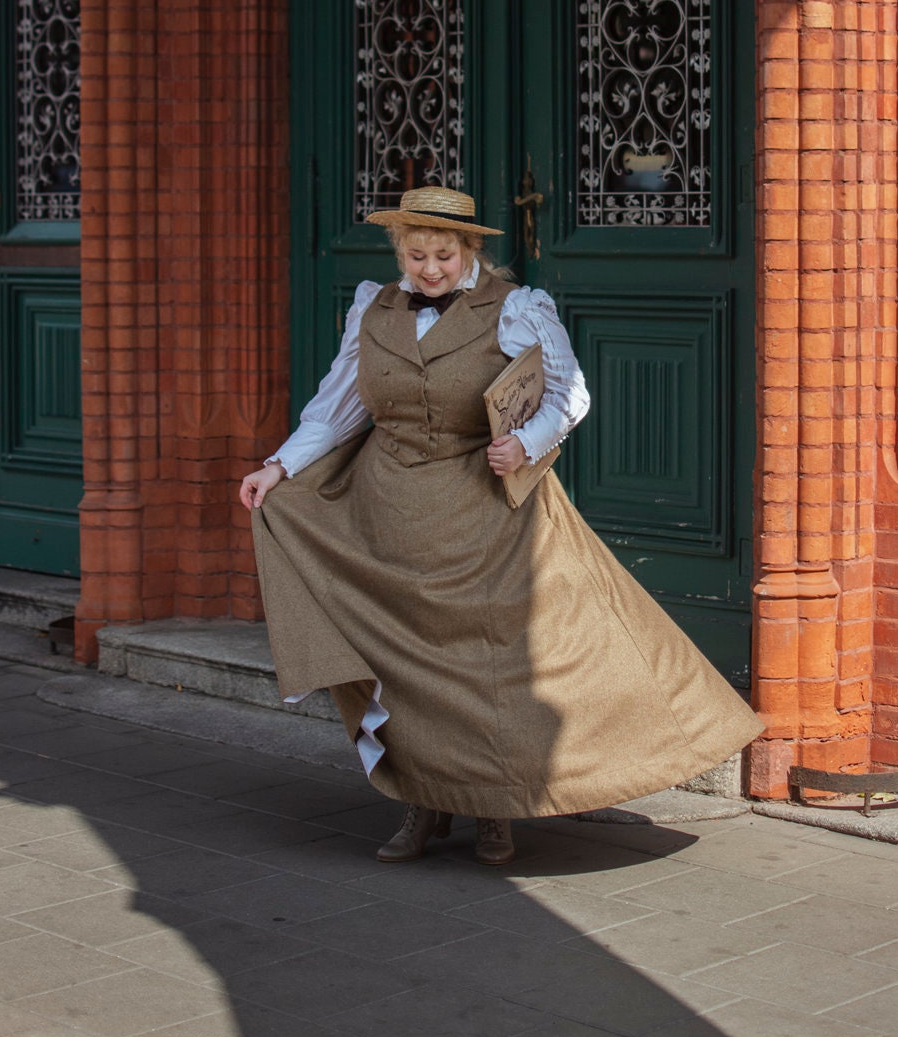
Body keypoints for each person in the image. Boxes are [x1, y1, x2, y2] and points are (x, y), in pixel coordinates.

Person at [240, 186, 762, 867]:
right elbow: (338, 407)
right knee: (405, 667)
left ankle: (495, 810)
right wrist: (278, 468)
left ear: (469, 250)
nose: (430, 268)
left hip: (483, 512)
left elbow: (568, 393)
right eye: (418, 254)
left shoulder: (516, 310)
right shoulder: (374, 306)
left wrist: (524, 443)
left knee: (491, 669)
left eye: (444, 254)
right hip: (385, 511)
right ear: (401, 251)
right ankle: (420, 804)